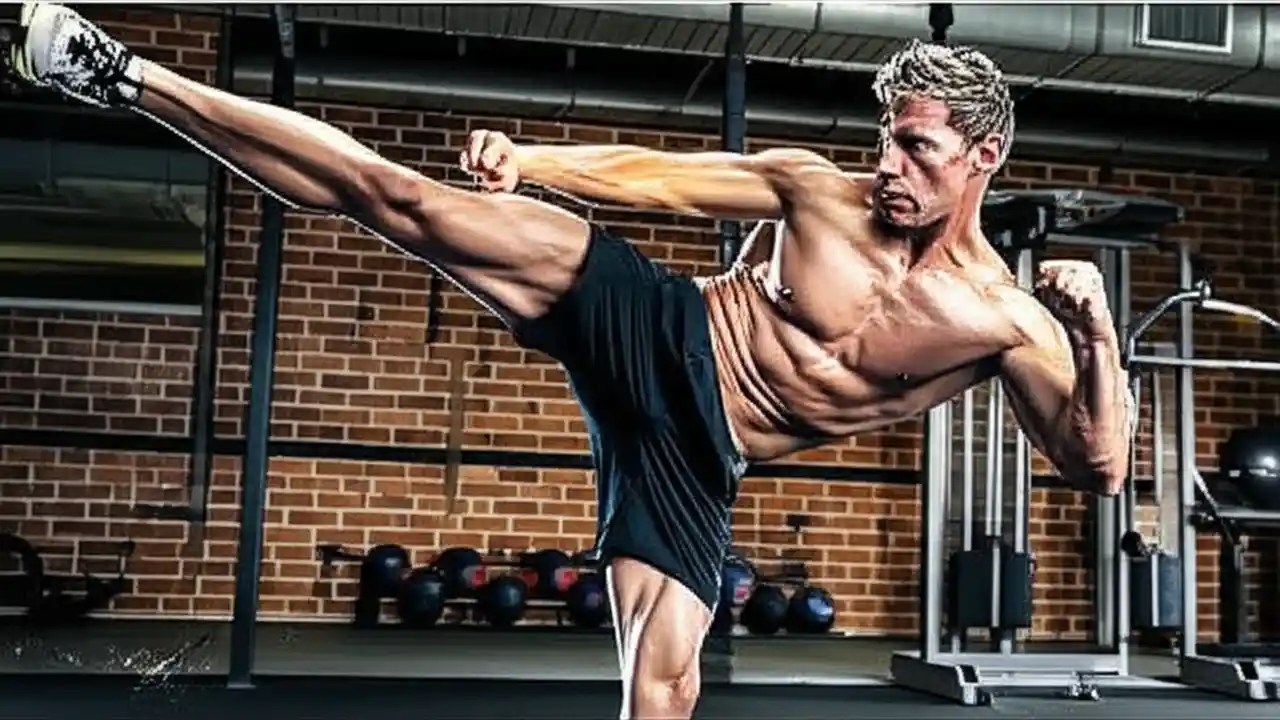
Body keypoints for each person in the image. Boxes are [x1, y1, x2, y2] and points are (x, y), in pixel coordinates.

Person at [7, 3, 1135, 718]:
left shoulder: (1005, 321)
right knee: (399, 200)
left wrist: (1093, 342)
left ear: (980, 158)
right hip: (655, 324)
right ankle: (121, 75)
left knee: (666, 690)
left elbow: (1097, 467)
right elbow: (654, 175)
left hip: (697, 457)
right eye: (885, 137)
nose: (886, 162)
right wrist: (531, 158)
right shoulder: (814, 190)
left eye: (916, 147)